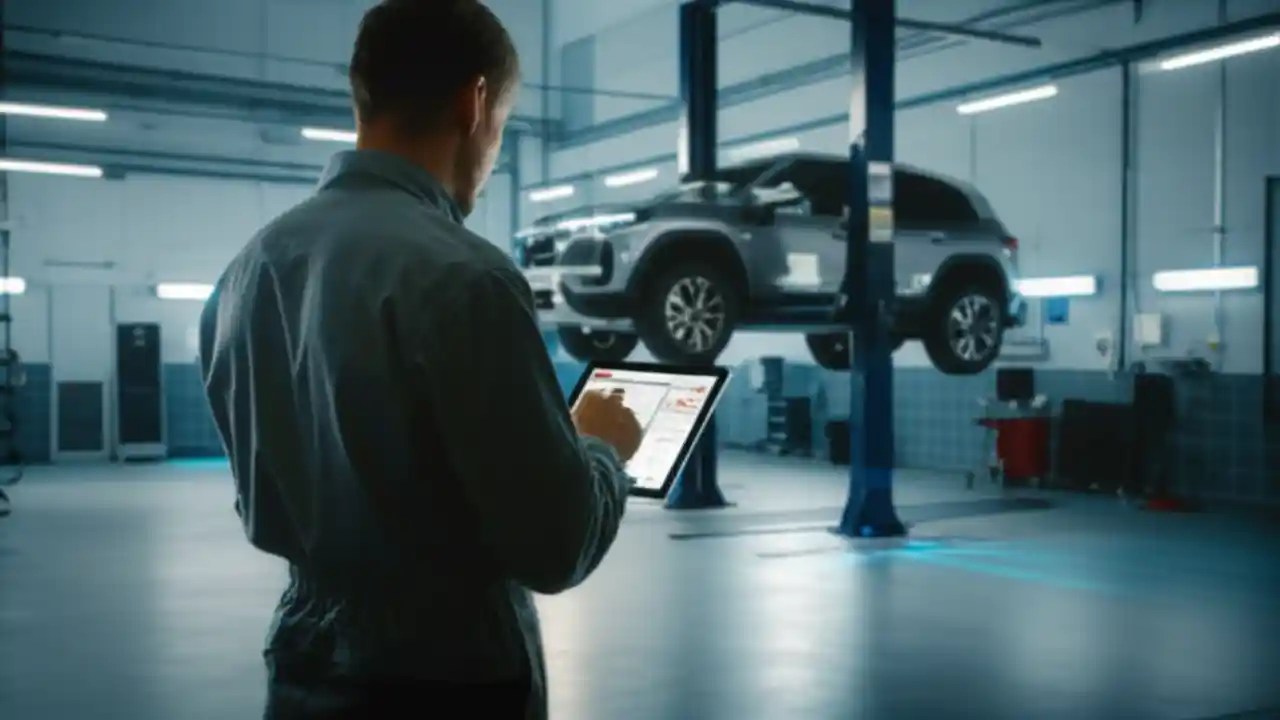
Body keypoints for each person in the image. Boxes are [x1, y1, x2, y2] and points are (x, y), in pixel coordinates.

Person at [198, 2, 643, 718]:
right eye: (501, 124)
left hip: (300, 665)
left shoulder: (246, 272)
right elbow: (554, 547)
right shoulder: (468, 278)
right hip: (449, 680)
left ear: (361, 95)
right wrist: (601, 449)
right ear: (474, 104)